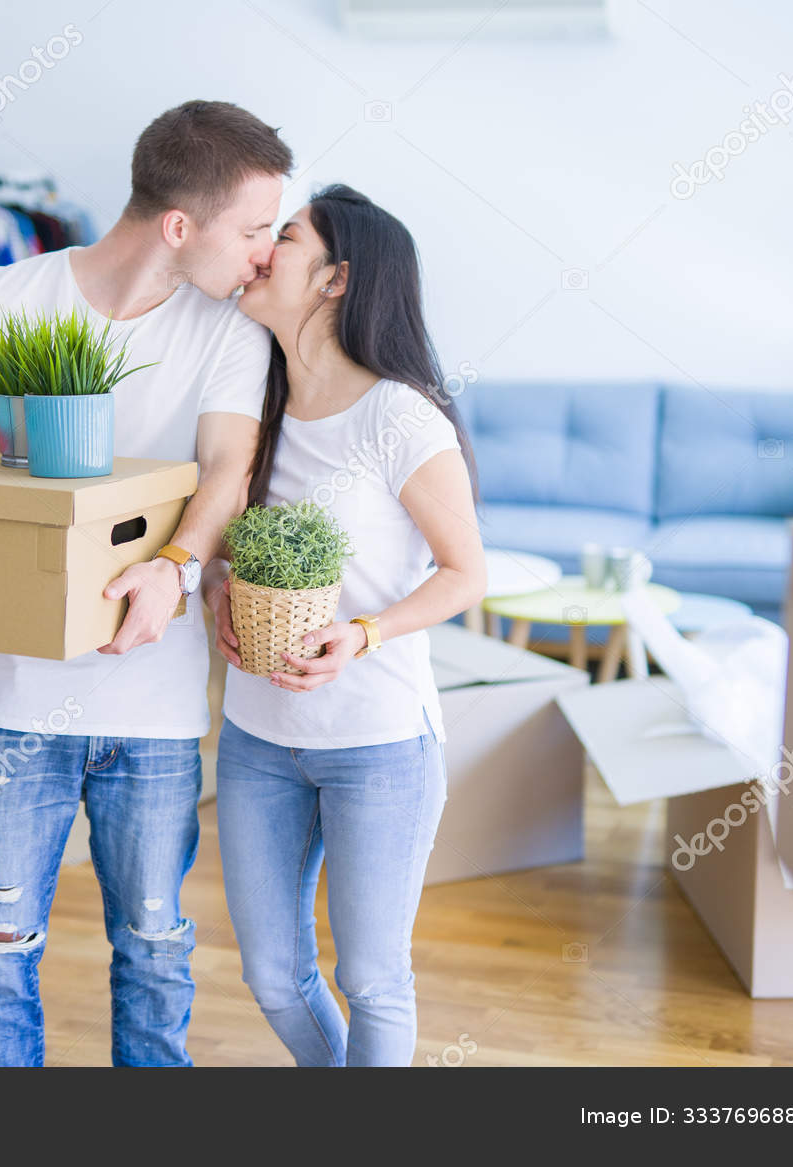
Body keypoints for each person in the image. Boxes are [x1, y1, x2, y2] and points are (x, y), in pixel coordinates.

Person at [0, 101, 291, 1067]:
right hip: (8, 697)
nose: (265, 254)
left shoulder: (229, 330)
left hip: (154, 704)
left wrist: (173, 572)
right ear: (182, 226)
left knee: (151, 943)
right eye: (256, 228)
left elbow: (228, 471)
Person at [206, 184, 486, 1066]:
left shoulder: (399, 416)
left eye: (283, 237)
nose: (260, 251)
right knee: (272, 973)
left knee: (371, 980)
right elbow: (225, 534)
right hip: (256, 735)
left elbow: (466, 574)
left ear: (336, 279)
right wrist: (216, 586)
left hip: (377, 743)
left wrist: (361, 634)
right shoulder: (253, 403)